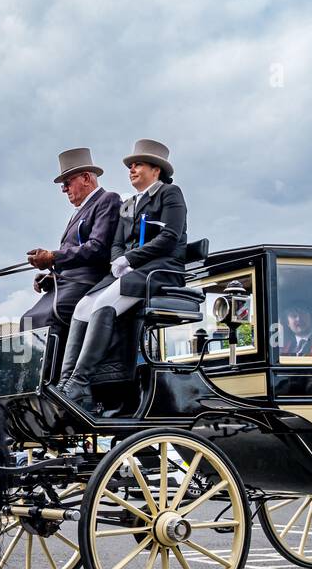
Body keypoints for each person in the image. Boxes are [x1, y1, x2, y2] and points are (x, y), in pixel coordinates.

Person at [58, 139, 187, 408]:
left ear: (156, 170)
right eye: (130, 165)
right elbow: (117, 242)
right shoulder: (128, 205)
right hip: (130, 272)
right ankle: (66, 380)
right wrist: (119, 260)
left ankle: (80, 382)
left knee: (104, 304)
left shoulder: (170, 194)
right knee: (83, 306)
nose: (131, 169)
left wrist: (131, 258)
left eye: (138, 164)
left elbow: (170, 237)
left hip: (160, 271)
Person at [21, 148, 121, 379]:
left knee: (47, 318)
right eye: (62, 185)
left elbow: (98, 248)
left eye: (67, 182)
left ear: (86, 178)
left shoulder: (107, 200)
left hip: (89, 283)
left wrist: (53, 257)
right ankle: (28, 381)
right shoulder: (79, 212)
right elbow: (71, 255)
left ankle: (51, 384)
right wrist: (50, 274)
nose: (64, 189)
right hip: (66, 283)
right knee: (27, 319)